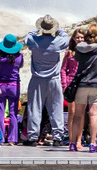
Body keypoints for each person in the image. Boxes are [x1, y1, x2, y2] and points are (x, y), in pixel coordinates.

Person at [67, 24, 97, 154]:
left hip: (82, 84)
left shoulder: (81, 49)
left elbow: (76, 58)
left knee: (78, 115)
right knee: (94, 114)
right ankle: (93, 143)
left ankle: (72, 142)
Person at [22, 15, 68, 146]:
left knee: (35, 108)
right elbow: (66, 37)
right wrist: (59, 30)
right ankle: (58, 137)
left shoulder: (34, 40)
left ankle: (32, 137)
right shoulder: (58, 42)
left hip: (37, 79)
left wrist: (36, 30)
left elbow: (27, 37)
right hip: (53, 79)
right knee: (56, 108)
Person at [0, 33, 24, 145]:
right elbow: (20, 66)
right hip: (14, 86)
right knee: (13, 113)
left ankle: (0, 138)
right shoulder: (19, 58)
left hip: (0, 85)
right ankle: (12, 139)